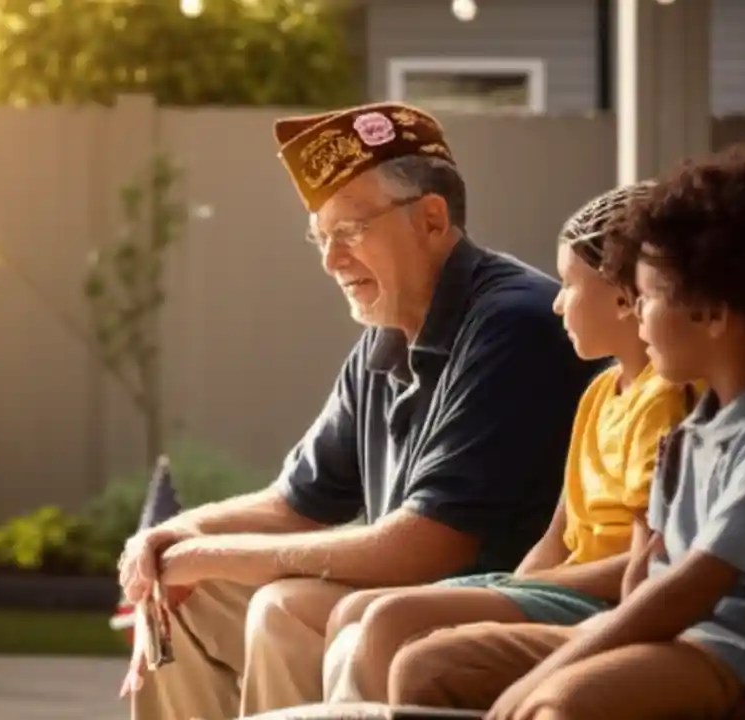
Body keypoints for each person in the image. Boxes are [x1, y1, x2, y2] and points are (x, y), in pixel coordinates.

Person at [116, 102, 603, 719]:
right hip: (413, 597)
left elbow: (428, 547)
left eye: (349, 232)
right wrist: (174, 538)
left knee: (282, 608)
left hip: (487, 608)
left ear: (431, 220)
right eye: (320, 239)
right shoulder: (385, 337)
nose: (331, 261)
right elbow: (296, 504)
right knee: (185, 594)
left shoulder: (513, 323)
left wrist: (208, 553)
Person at [384, 146, 745, 720]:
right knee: (427, 666)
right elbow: (649, 568)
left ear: (713, 313)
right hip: (661, 637)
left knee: (561, 702)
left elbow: (693, 587)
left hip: (733, 659)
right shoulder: (703, 420)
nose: (636, 316)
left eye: (650, 298)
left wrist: (552, 670)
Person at [319, 182, 698, 703]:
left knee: (390, 617)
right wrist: (506, 586)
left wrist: (524, 591)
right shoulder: (597, 395)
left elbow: (644, 565)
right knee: (352, 611)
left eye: (569, 284)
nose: (558, 303)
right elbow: (557, 534)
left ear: (622, 297)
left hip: (599, 601)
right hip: (559, 586)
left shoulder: (663, 401)